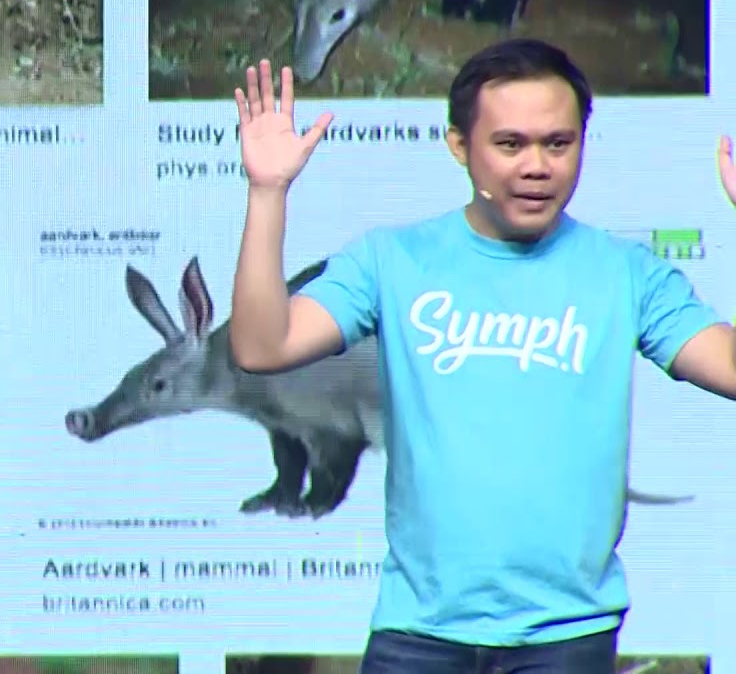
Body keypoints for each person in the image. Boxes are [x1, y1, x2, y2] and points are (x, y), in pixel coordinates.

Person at [228, 38, 736, 674]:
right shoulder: (391, 260)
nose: (536, 166)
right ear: (458, 146)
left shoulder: (627, 274)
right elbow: (259, 345)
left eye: (559, 143)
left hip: (567, 635)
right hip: (417, 632)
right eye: (510, 144)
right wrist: (267, 192)